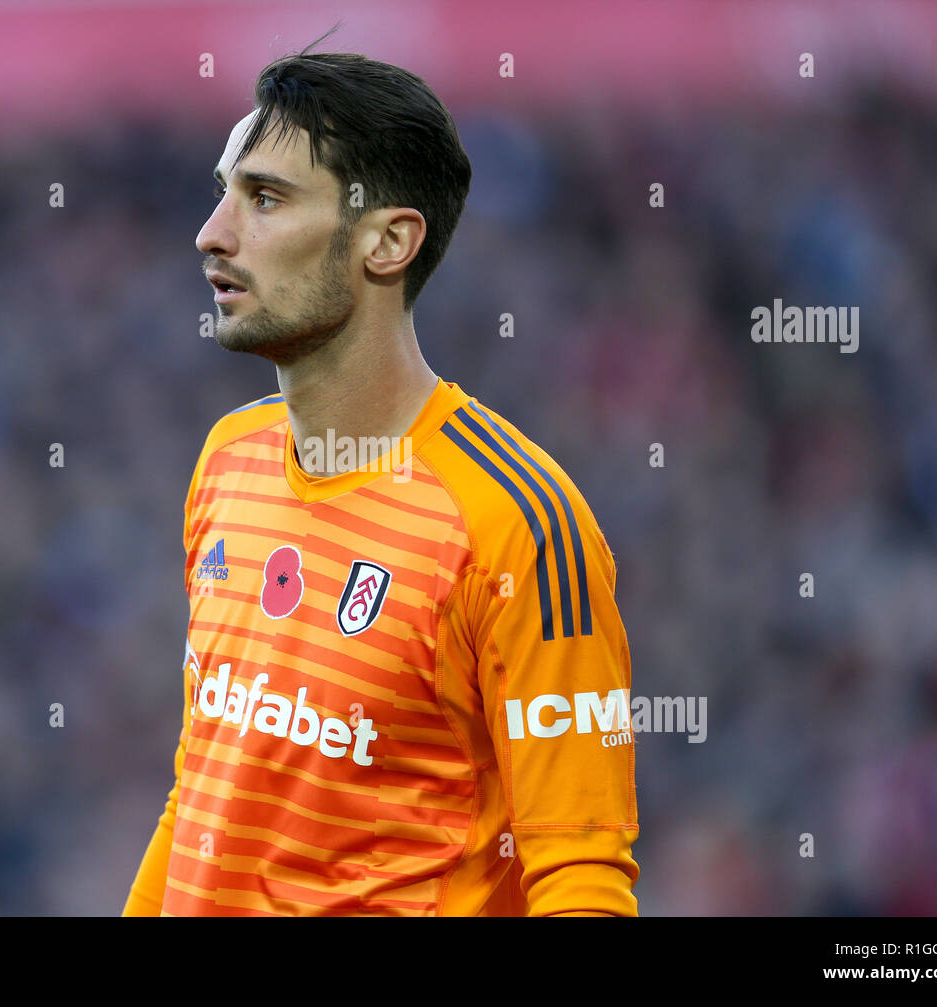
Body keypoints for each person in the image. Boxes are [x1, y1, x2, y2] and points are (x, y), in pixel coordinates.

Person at [123, 33, 639, 916]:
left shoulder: (518, 521)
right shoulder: (226, 463)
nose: (212, 234)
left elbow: (580, 876)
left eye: (266, 198)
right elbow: (203, 787)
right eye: (223, 196)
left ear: (388, 242)